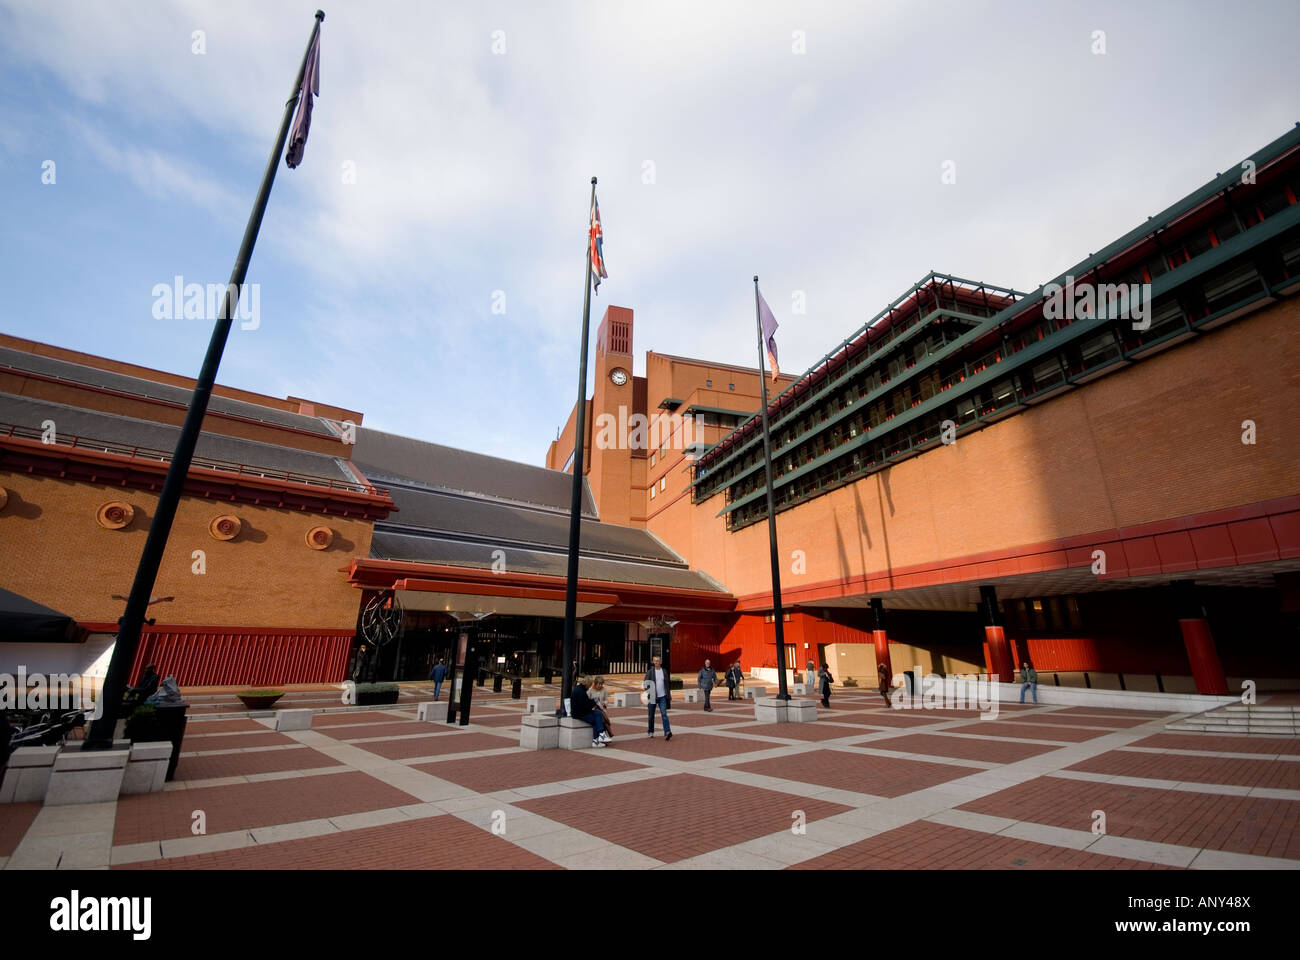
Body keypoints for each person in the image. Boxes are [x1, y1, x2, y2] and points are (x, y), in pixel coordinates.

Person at [570, 676, 610, 747]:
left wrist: (594, 702)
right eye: (590, 684)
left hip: (580, 712)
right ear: (588, 684)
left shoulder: (580, 689)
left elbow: (586, 703)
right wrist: (594, 702)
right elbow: (585, 705)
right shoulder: (581, 692)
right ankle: (601, 735)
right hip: (580, 714)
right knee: (597, 717)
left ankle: (596, 741)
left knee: (597, 716)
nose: (590, 686)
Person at [644, 655, 673, 740]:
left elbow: (667, 684)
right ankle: (650, 731)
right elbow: (645, 683)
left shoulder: (664, 671)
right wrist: (650, 691)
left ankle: (667, 732)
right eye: (655, 661)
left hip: (662, 696)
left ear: (661, 662)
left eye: (658, 661)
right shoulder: (650, 672)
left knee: (664, 714)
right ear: (653, 662)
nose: (657, 662)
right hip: (652, 696)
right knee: (651, 715)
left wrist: (669, 694)